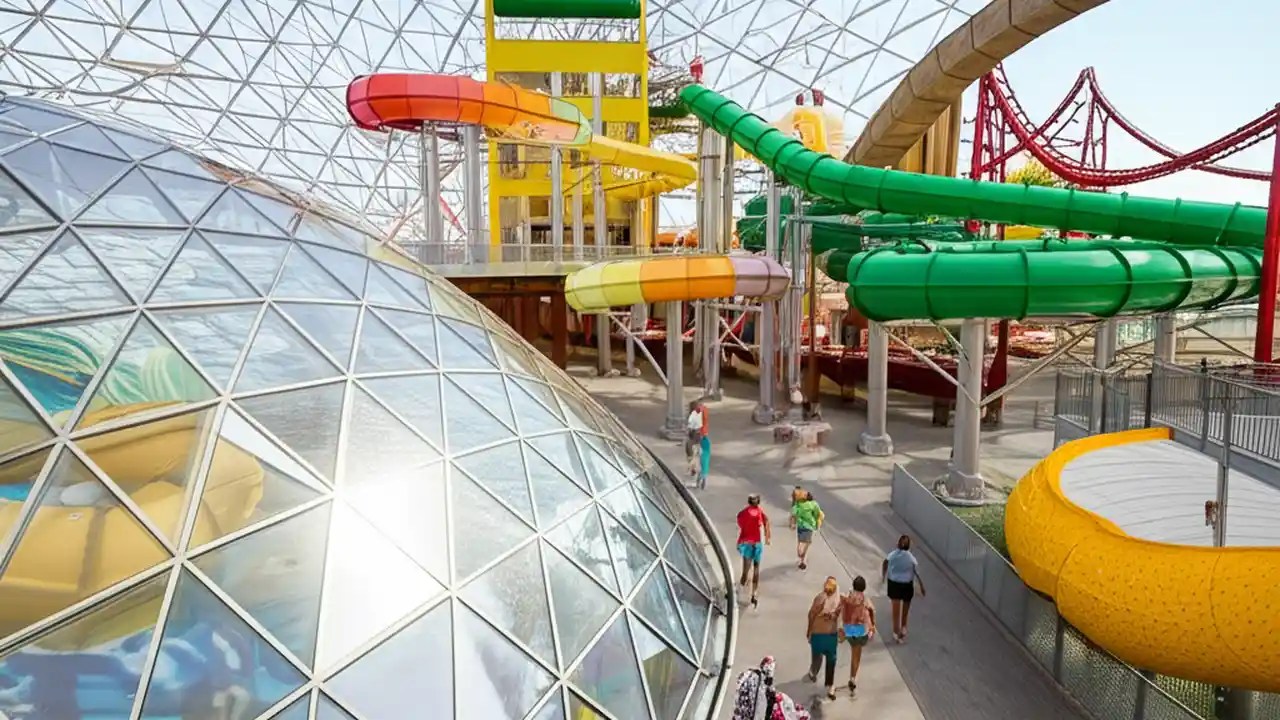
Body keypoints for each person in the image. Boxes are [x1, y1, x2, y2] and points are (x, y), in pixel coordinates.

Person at [881, 534, 926, 643]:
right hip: (906, 585)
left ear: (898, 543)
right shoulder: (911, 557)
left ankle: (896, 632)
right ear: (909, 546)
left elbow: (885, 562)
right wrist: (921, 586)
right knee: (905, 612)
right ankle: (903, 628)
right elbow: (916, 571)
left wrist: (883, 575)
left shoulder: (893, 554)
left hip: (894, 584)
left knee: (895, 612)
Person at [804, 576, 842, 700]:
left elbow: (811, 615)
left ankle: (813, 672)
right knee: (831, 659)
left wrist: (809, 630)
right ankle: (830, 685)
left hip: (817, 633)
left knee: (816, 655)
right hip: (831, 635)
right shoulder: (838, 600)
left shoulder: (820, 598)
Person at [840, 576, 876, 695]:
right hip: (861, 630)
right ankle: (852, 678)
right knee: (856, 655)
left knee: (853, 649)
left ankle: (852, 676)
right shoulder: (865, 599)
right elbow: (871, 611)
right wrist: (872, 626)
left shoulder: (848, 596)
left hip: (849, 629)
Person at [736, 494, 771, 609]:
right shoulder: (760, 512)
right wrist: (767, 536)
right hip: (757, 543)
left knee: (745, 569)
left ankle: (740, 592)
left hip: (747, 543)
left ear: (749, 502)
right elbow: (766, 521)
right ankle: (754, 593)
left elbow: (739, 521)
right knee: (756, 568)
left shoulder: (744, 512)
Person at [791, 491, 823, 570]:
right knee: (807, 543)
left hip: (800, 526)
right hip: (809, 526)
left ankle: (800, 554)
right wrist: (817, 523)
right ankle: (802, 558)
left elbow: (794, 514)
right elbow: (817, 513)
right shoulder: (813, 504)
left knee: (800, 541)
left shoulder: (798, 504)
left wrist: (793, 523)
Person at [685, 400, 711, 488]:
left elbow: (691, 430)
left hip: (695, 439)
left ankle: (694, 472)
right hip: (705, 438)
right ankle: (703, 476)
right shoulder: (704, 412)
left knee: (692, 456)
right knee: (704, 458)